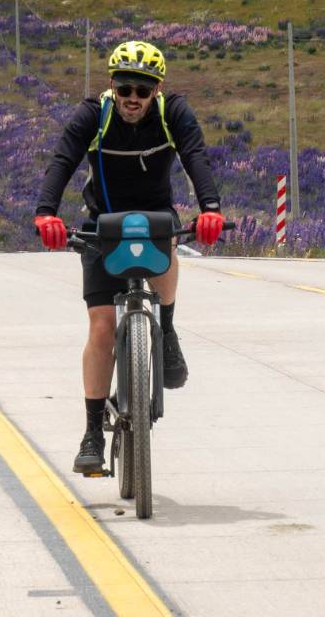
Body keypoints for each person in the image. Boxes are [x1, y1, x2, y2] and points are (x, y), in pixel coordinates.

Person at [34, 40, 225, 475]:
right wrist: (46, 213)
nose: (133, 99)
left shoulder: (172, 112)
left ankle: (168, 330)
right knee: (102, 328)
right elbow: (62, 160)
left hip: (156, 216)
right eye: (125, 89)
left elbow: (196, 156)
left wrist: (210, 208)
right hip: (102, 222)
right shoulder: (93, 115)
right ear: (112, 86)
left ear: (157, 89)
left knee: (170, 239)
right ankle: (90, 433)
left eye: (143, 89)